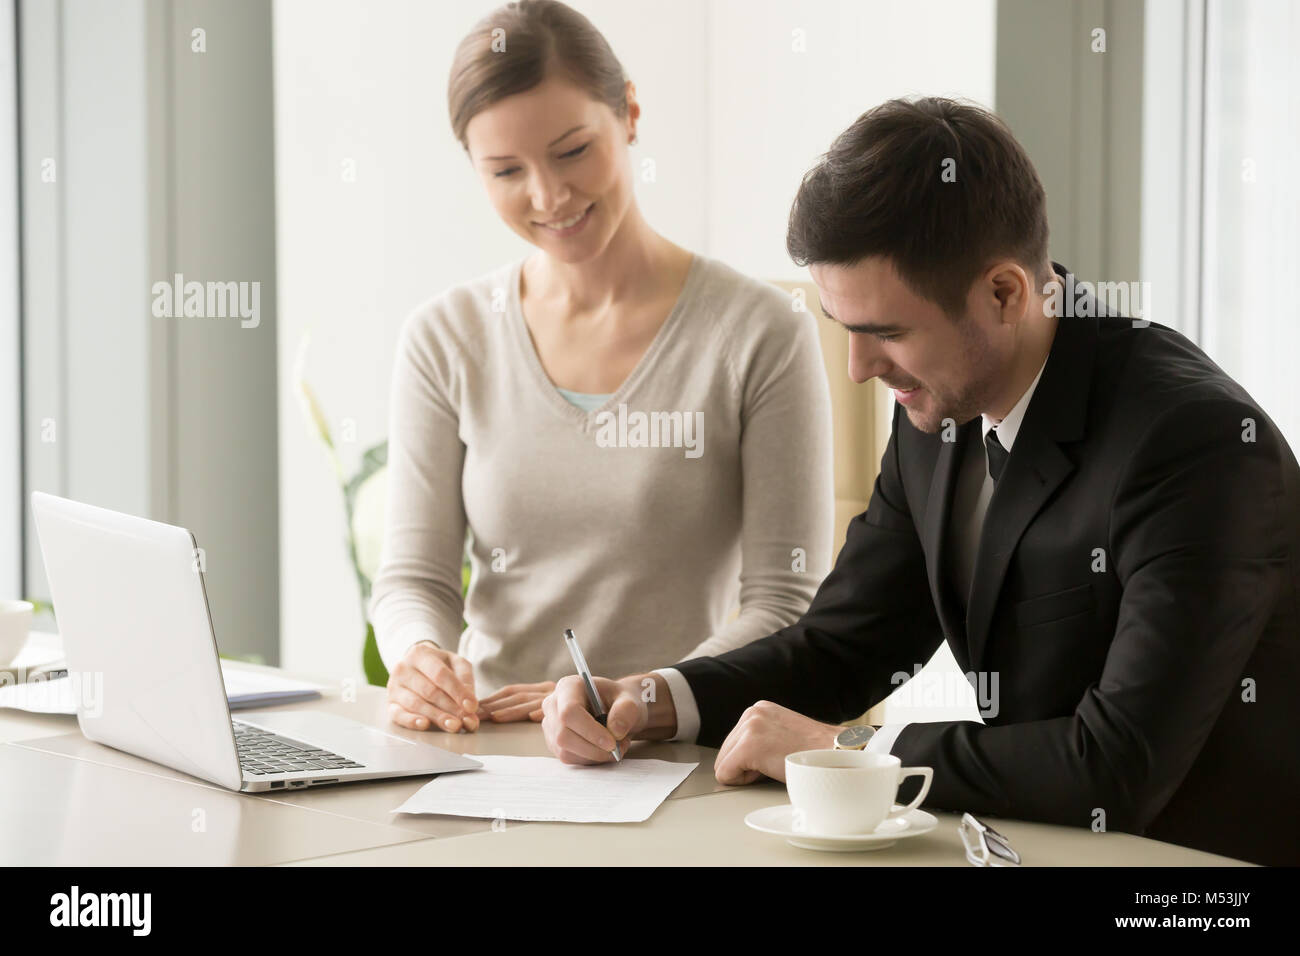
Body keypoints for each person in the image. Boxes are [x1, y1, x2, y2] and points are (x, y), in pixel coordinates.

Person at [541, 96, 1300, 867]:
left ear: (1004, 294)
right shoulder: (939, 405)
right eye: (848, 331)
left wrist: (852, 749)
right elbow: (843, 648)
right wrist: (657, 699)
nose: (860, 370)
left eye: (887, 334)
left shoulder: (1196, 447)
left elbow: (1118, 764)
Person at [369, 0, 833, 736]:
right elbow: (414, 581)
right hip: (488, 755)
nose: (548, 196)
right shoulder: (444, 338)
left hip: (680, 752)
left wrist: (641, 700)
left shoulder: (762, 333)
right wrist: (420, 656)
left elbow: (785, 600)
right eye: (505, 170)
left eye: (573, 150)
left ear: (630, 114)